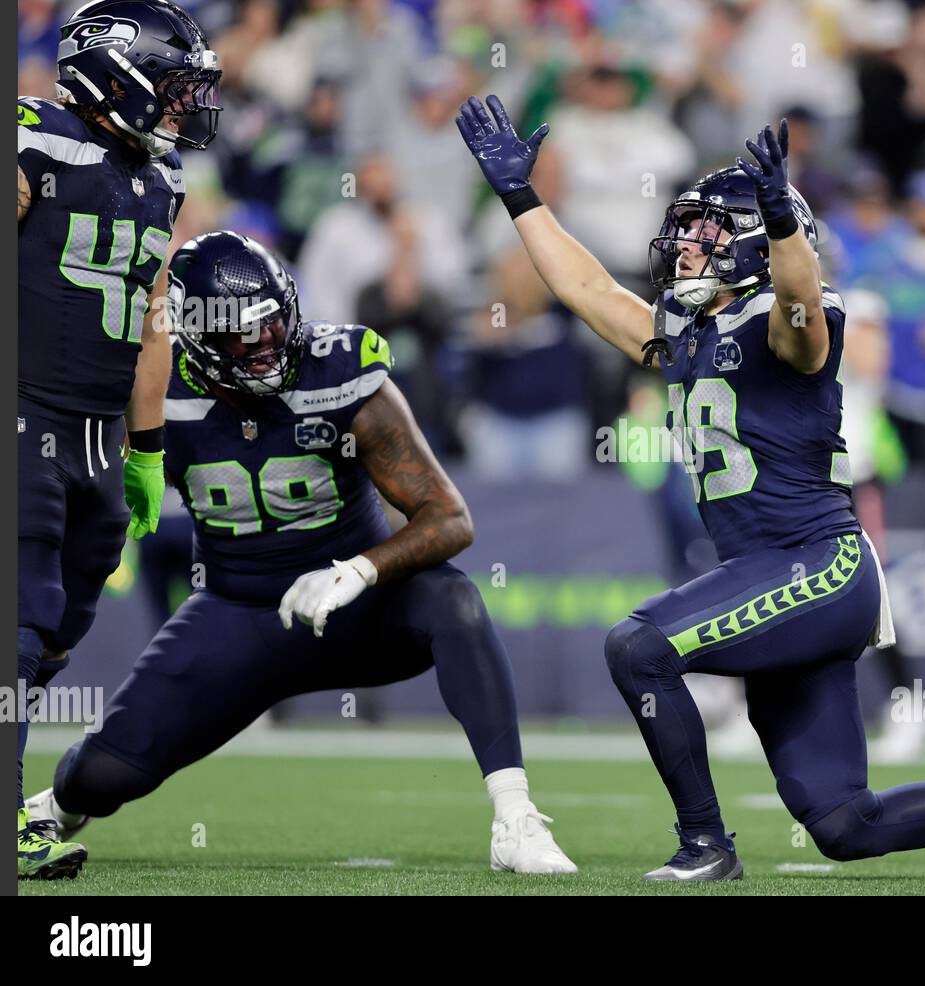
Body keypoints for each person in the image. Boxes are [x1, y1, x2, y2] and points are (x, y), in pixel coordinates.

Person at [457, 93, 925, 883]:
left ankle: (706, 843)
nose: (686, 245)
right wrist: (521, 199)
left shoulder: (787, 320)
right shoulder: (689, 331)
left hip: (817, 564)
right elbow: (589, 291)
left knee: (638, 646)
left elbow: (800, 307)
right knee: (843, 822)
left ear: (755, 244)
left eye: (707, 232)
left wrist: (784, 224)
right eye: (688, 229)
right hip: (774, 576)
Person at [25, 231, 576, 877]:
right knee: (100, 775)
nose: (264, 343)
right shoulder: (154, 386)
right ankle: (55, 809)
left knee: (455, 600)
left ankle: (515, 818)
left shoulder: (338, 369)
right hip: (238, 615)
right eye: (240, 332)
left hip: (362, 605)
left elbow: (449, 517)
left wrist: (359, 570)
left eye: (274, 321)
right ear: (195, 337)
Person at [17, 0, 221, 880]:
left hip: (98, 434)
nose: (186, 104)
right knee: (19, 625)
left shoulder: (160, 177)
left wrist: (146, 452)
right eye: (177, 83)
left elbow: (151, 321)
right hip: (22, 414)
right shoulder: (35, 140)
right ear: (117, 67)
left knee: (59, 629)